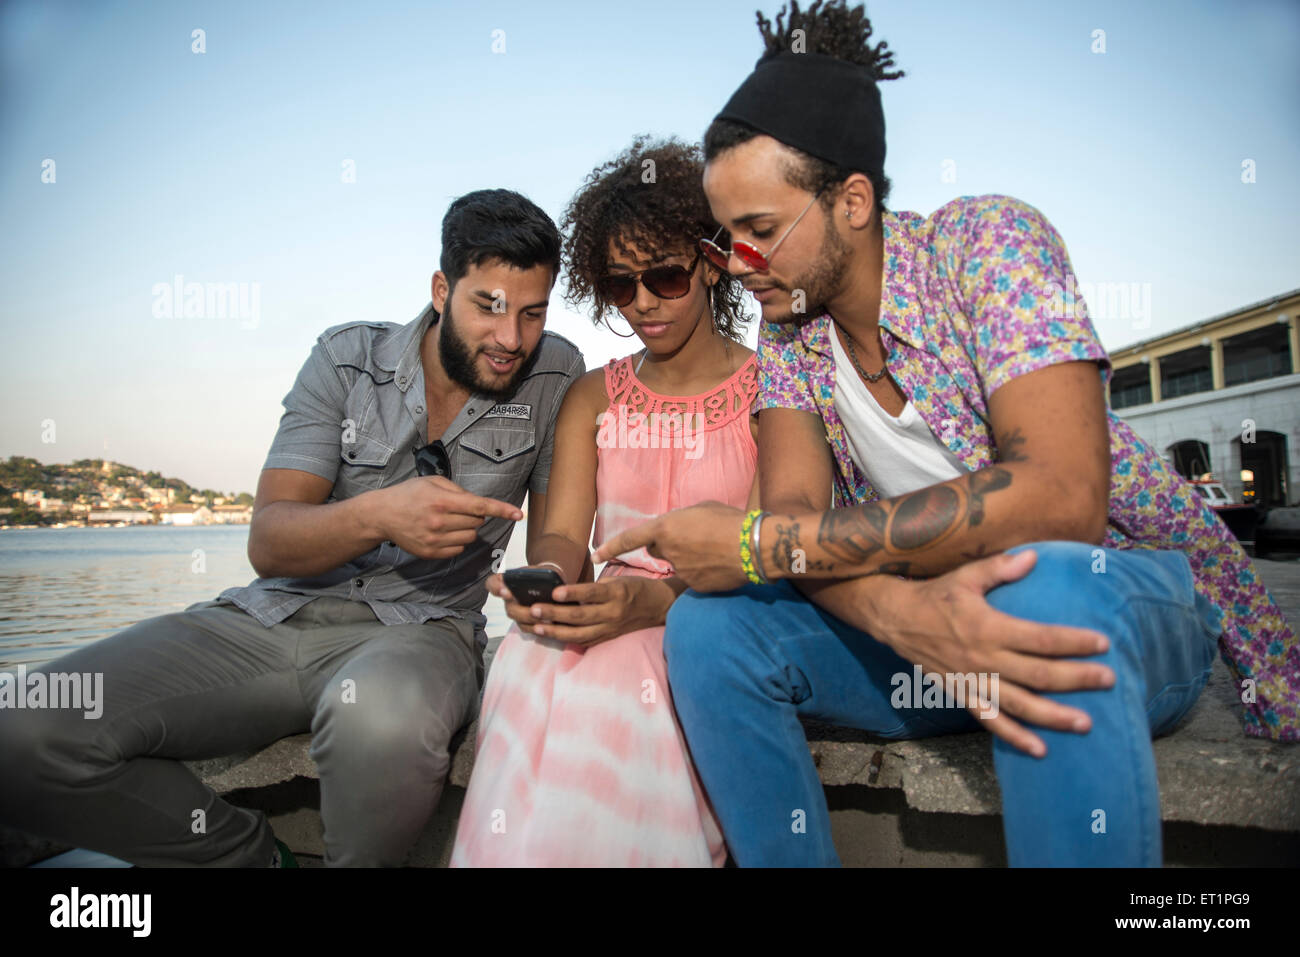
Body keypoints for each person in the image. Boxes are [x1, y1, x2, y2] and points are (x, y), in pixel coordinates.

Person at [594, 1, 1298, 867]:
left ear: (853, 200)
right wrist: (903, 610)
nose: (737, 263)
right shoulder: (793, 336)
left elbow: (1063, 499)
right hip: (927, 638)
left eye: (762, 231)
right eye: (726, 237)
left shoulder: (988, 245)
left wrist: (755, 544)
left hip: (1107, 607)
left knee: (1043, 585)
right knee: (708, 629)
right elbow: (793, 528)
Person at [0, 189, 585, 866]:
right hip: (272, 618)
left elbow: (556, 538)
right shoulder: (343, 358)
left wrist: (545, 583)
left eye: (533, 312)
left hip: (422, 633)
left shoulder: (556, 371)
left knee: (380, 720)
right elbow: (269, 541)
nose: (512, 337)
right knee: (24, 727)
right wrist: (378, 513)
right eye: (489, 305)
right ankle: (251, 858)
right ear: (440, 288)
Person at [451, 138, 756, 867]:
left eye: (665, 275)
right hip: (605, 605)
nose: (644, 301)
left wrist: (656, 604)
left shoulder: (772, 389)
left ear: (713, 263)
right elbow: (560, 535)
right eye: (621, 285)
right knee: (524, 656)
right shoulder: (591, 395)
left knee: (620, 676)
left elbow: (777, 549)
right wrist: (547, 588)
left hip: (718, 613)